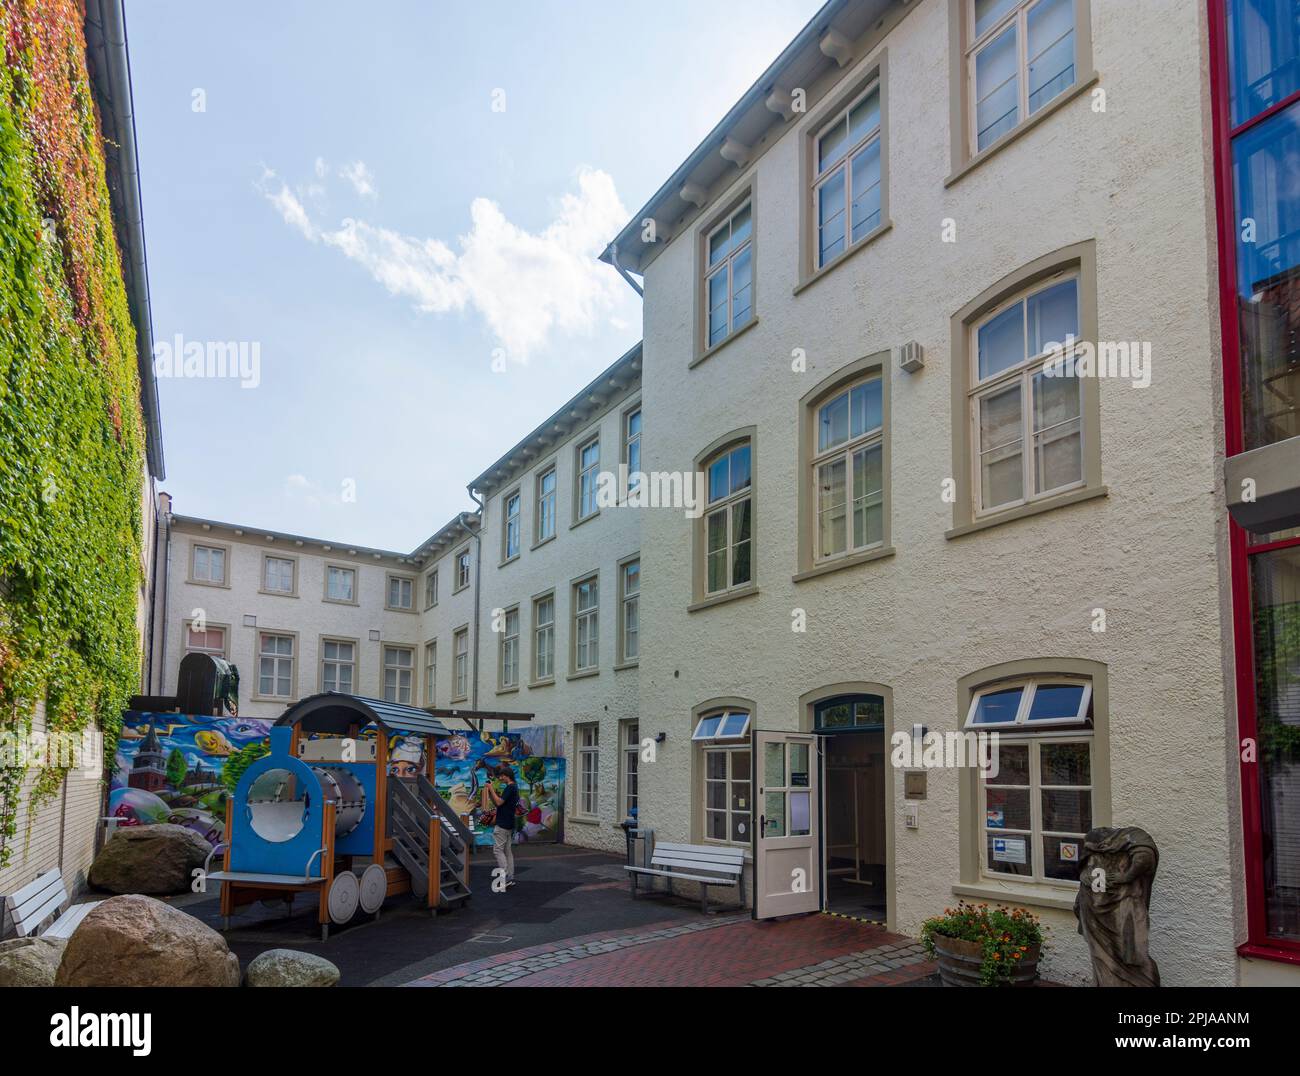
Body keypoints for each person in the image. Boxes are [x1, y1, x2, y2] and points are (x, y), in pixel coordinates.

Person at [486, 762, 519, 888]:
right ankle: (510, 877)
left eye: (501, 776)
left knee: (497, 850)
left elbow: (499, 802)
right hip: (509, 823)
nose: (499, 778)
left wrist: (491, 789)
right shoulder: (514, 787)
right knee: (507, 851)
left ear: (506, 776)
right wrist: (490, 792)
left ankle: (504, 878)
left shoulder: (510, 788)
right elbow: (499, 803)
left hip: (503, 824)